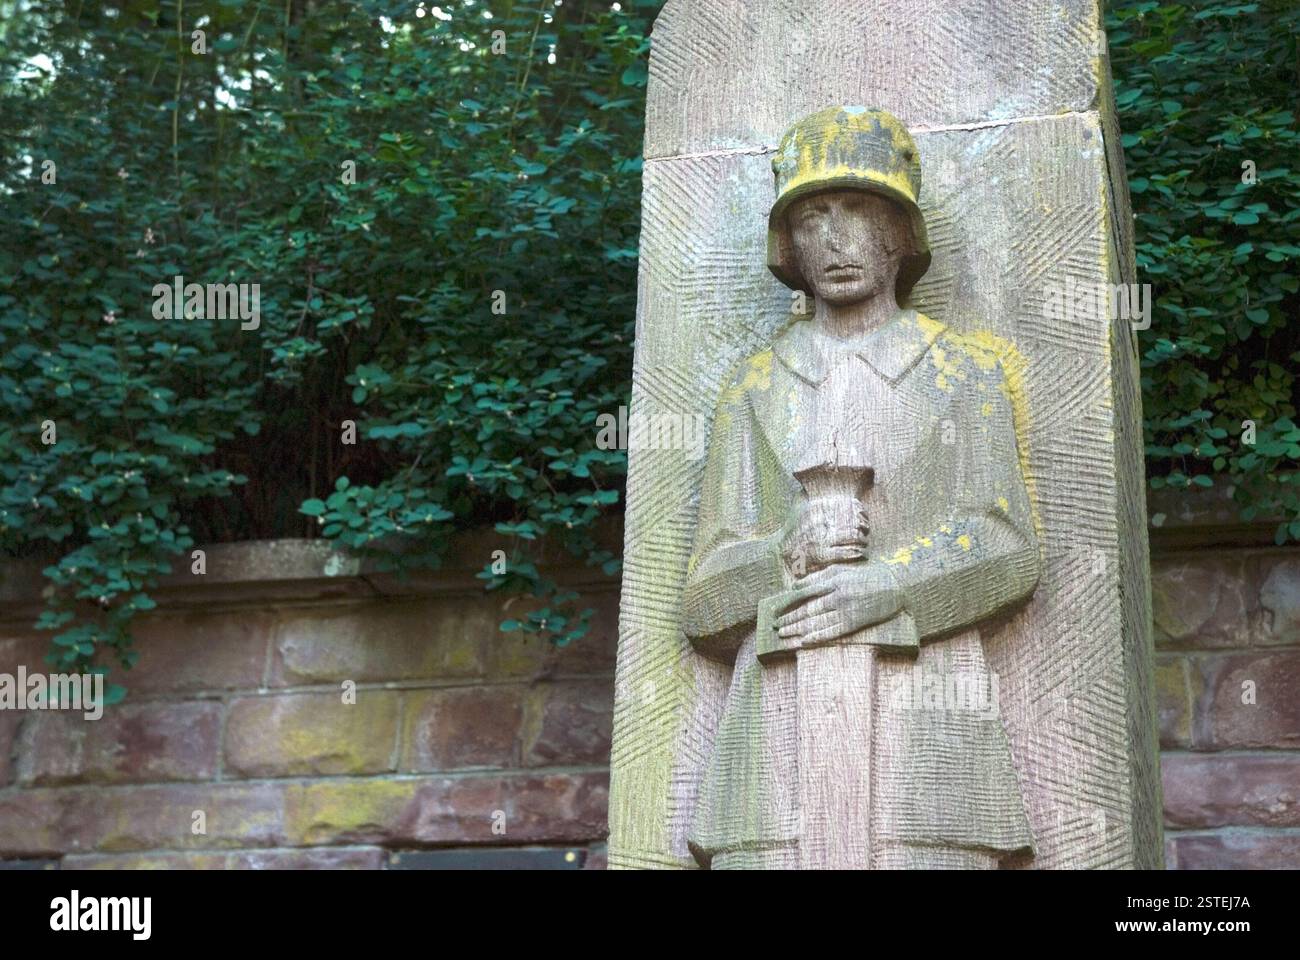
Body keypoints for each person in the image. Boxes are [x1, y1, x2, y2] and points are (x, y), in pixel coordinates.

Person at [682, 106, 1042, 869]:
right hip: (774, 749)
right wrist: (782, 553)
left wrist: (893, 586)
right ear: (787, 242)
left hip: (932, 737)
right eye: (813, 218)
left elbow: (1008, 548)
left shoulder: (962, 372)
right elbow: (703, 599)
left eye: (860, 212)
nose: (836, 239)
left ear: (902, 233)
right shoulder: (752, 388)